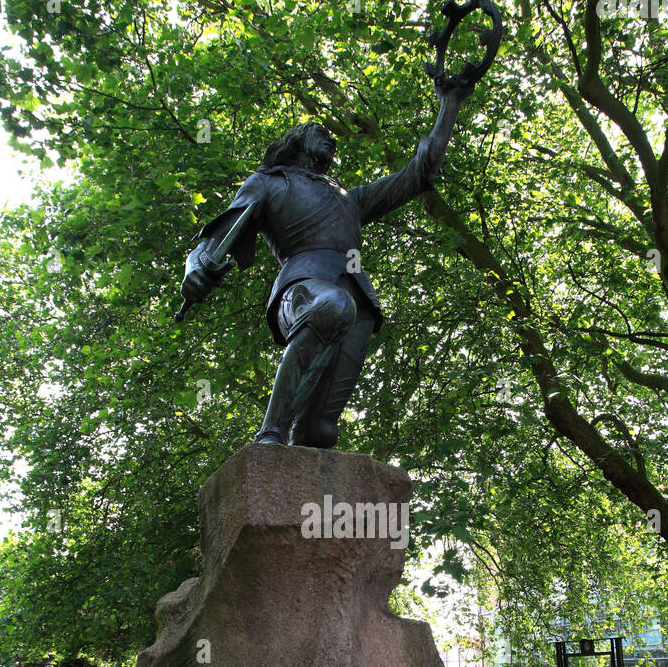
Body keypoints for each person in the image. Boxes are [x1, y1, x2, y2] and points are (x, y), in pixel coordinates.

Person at [180, 73, 476, 448]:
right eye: (320, 131)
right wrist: (194, 269)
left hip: (358, 300)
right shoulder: (269, 181)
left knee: (318, 433)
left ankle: (299, 478)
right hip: (303, 288)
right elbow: (217, 237)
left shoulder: (348, 198)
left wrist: (450, 105)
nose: (330, 138)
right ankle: (268, 437)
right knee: (333, 306)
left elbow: (419, 172)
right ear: (298, 140)